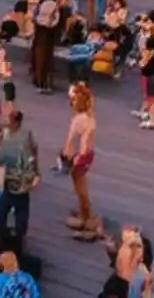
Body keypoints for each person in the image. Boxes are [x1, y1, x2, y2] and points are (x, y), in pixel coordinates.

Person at [0, 110, 39, 256]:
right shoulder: (8, 134)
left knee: (16, 210)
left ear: (16, 122)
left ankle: (16, 239)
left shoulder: (22, 137)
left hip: (19, 181)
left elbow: (32, 153)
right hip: (10, 179)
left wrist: (35, 173)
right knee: (3, 209)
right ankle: (5, 236)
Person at [64, 84, 99, 240]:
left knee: (80, 190)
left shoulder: (78, 120)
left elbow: (70, 142)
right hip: (88, 155)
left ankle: (86, 220)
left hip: (79, 157)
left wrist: (66, 156)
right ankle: (85, 216)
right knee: (82, 188)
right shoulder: (91, 117)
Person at [134, 11, 154, 130]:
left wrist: (142, 63)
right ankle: (150, 115)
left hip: (152, 69)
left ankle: (153, 120)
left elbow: (147, 53)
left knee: (152, 96)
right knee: (151, 94)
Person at [31, 0, 61, 95]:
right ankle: (45, 82)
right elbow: (56, 20)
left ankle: (37, 80)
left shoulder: (41, 4)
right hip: (50, 33)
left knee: (39, 55)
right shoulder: (53, 4)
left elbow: (35, 17)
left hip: (40, 31)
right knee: (47, 57)